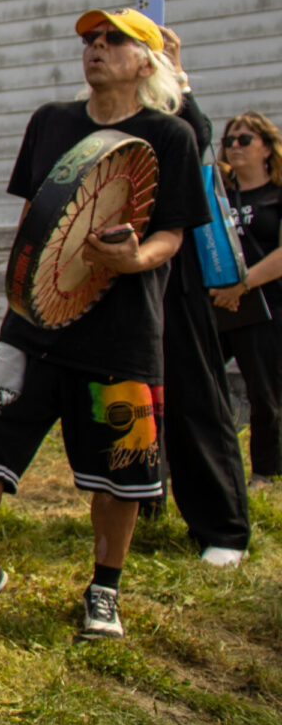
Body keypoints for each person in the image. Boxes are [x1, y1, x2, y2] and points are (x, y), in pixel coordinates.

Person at [0, 7, 207, 641]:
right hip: (31, 322)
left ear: (147, 59)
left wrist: (134, 259)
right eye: (89, 39)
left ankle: (104, 591)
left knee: (123, 467)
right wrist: (37, 276)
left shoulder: (171, 137)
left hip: (124, 333)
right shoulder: (51, 123)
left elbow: (173, 233)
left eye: (113, 40)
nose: (96, 48)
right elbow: (36, 212)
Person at [152, 29, 249, 566]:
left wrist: (175, 71)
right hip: (121, 276)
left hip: (178, 275)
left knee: (194, 398)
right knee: (129, 401)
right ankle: (141, 502)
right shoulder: (92, 115)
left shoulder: (175, 116)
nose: (99, 50)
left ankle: (223, 529)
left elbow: (196, 135)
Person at [212, 110, 282, 494]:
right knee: (197, 381)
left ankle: (266, 475)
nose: (234, 146)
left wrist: (242, 285)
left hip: (266, 306)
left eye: (244, 139)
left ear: (267, 148)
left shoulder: (277, 194)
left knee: (264, 393)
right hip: (219, 306)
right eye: (229, 140)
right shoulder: (218, 194)